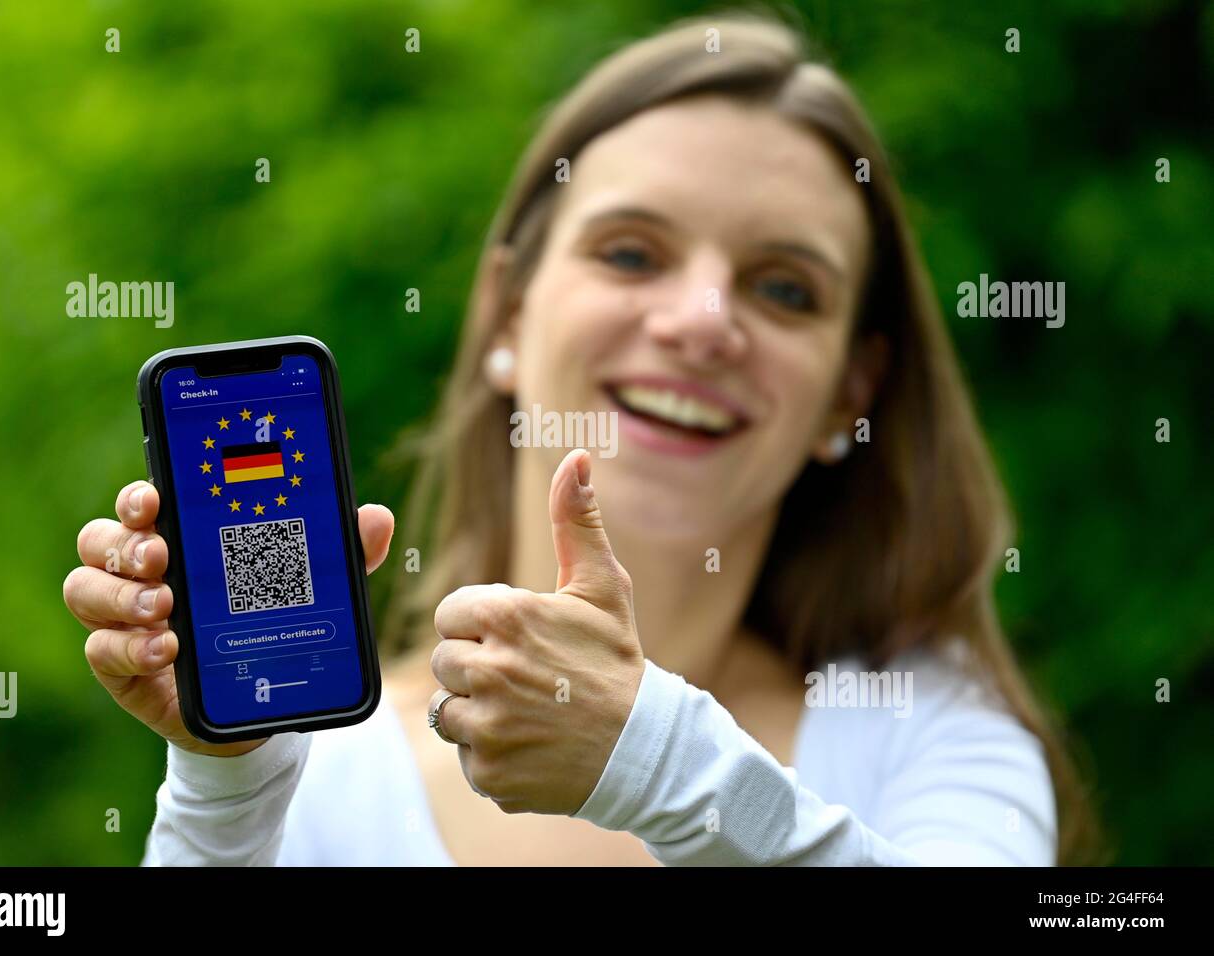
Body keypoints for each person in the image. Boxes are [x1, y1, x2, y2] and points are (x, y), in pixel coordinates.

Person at [62, 12, 1091, 865]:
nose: (701, 321)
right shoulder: (316, 782)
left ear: (847, 393)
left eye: (784, 288)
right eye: (632, 252)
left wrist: (649, 759)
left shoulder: (931, 735)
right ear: (507, 314)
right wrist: (224, 790)